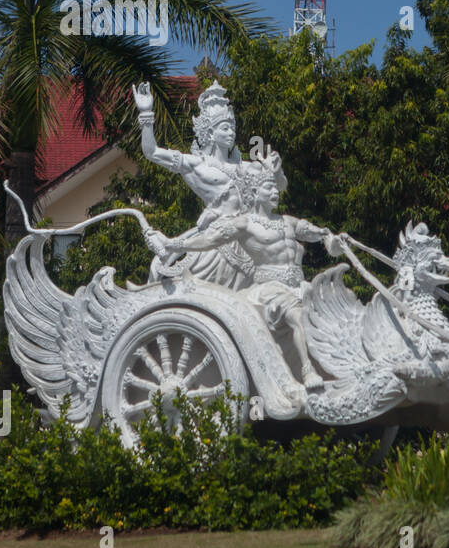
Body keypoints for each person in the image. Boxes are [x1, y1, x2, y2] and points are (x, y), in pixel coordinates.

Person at [144, 156, 343, 390]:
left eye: (274, 188)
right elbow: (209, 239)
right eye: (268, 188)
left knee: (331, 313)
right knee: (298, 315)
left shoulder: (288, 221)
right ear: (254, 192)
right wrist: (175, 245)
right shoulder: (245, 224)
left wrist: (331, 238)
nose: (274, 193)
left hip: (299, 286)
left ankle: (338, 368)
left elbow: (314, 232)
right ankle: (307, 372)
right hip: (270, 289)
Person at [132, 81, 284, 288]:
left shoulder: (247, 167)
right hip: (217, 245)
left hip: (251, 243)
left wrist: (275, 169)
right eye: (225, 127)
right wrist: (146, 114)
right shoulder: (197, 165)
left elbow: (280, 187)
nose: (231, 132)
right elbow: (151, 152)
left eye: (232, 127)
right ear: (211, 133)